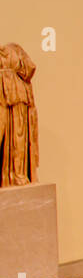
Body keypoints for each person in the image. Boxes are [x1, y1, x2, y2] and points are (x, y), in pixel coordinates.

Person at [0, 43, 38, 187]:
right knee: (17, 134)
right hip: (15, 95)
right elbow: (29, 69)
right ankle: (15, 174)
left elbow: (29, 69)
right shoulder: (15, 50)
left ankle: (16, 174)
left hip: (17, 96)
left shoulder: (14, 49)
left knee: (18, 134)